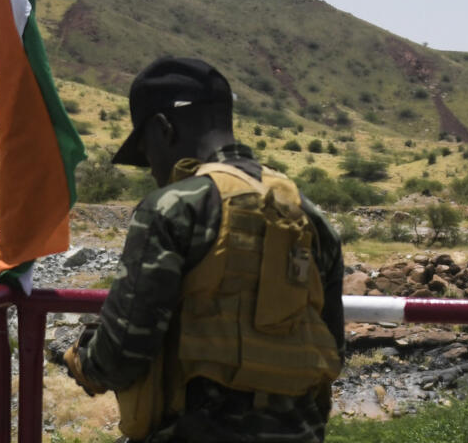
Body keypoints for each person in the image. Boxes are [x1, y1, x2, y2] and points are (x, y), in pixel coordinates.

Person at [64, 57, 345, 442]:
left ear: (164, 130)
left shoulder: (174, 207)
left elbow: (123, 354)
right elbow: (333, 347)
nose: (151, 170)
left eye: (146, 153)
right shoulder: (312, 216)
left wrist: (83, 361)